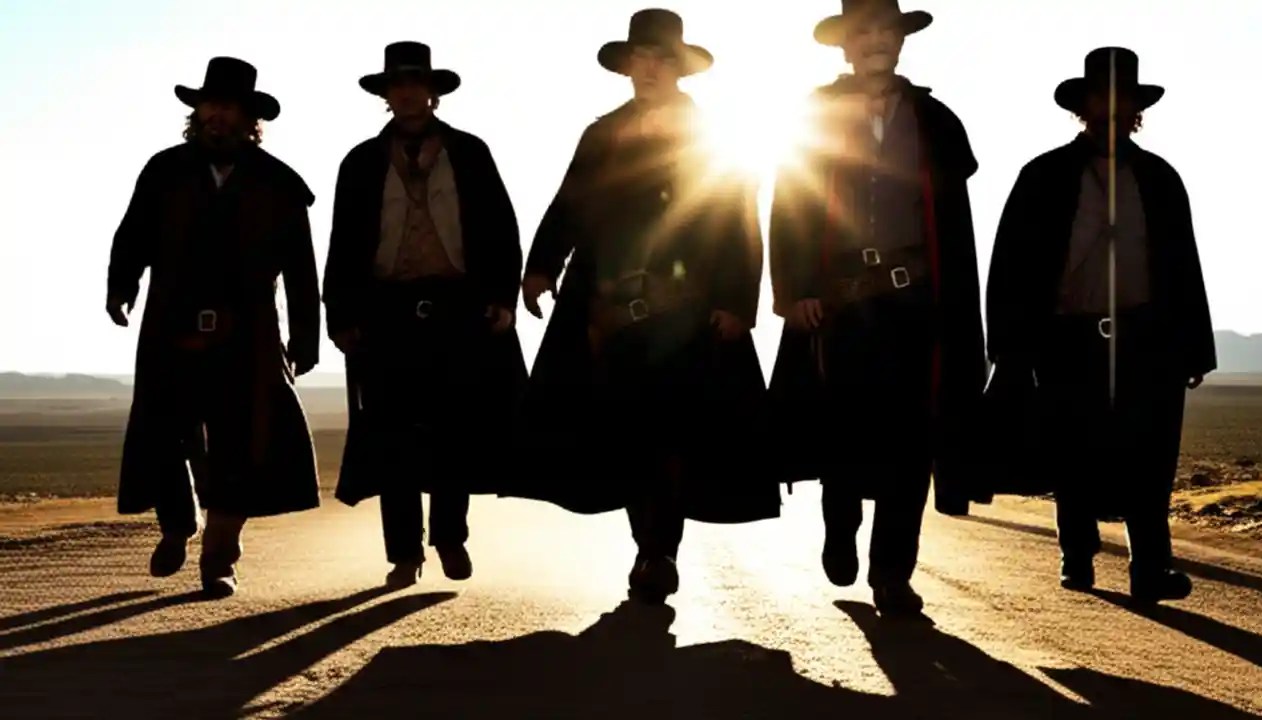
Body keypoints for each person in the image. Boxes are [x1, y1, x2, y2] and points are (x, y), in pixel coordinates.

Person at [512, 8, 780, 603]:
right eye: (642, 57)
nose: (651, 68)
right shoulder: (602, 134)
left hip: (689, 315)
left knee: (674, 437)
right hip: (611, 314)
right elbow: (570, 204)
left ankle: (659, 552)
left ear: (679, 68)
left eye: (663, 58)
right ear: (628, 65)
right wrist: (539, 268)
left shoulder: (713, 135)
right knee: (629, 436)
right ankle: (648, 547)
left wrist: (739, 301)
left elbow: (740, 218)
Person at [767, 0, 986, 617]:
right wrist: (794, 290)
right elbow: (790, 204)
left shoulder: (936, 120)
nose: (876, 41)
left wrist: (958, 311)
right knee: (842, 430)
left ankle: (892, 573)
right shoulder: (814, 113)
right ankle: (840, 527)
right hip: (840, 305)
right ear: (844, 45)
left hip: (916, 302)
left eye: (887, 30)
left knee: (910, 442)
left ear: (900, 40)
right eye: (863, 32)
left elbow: (956, 226)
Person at [985, 47, 1215, 602]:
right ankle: (1076, 553)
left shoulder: (1161, 179)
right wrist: (1010, 349)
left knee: (1151, 455)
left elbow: (1184, 262)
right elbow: (1011, 264)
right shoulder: (1042, 177)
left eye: (1124, 100)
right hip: (1068, 338)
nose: (1112, 109)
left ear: (1137, 109)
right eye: (1101, 99)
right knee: (1073, 449)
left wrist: (1194, 348)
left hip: (1149, 339)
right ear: (1083, 107)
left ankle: (1150, 568)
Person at [107, 56, 322, 598]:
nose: (217, 115)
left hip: (249, 331)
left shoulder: (279, 184)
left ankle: (220, 557)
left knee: (243, 444)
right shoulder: (164, 171)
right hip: (169, 320)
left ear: (250, 119)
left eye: (229, 107)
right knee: (160, 430)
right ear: (196, 112)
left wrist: (306, 334)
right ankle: (178, 524)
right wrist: (121, 287)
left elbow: (301, 264)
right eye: (210, 105)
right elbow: (132, 235)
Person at [323, 42, 527, 589]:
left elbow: (503, 231)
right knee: (392, 435)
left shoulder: (471, 154)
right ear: (386, 95)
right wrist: (339, 314)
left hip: (458, 307)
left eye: (416, 82)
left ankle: (449, 536)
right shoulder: (361, 163)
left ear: (431, 92)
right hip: (386, 311)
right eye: (397, 84)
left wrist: (503, 299)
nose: (407, 92)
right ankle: (403, 554)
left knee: (455, 429)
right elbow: (342, 245)